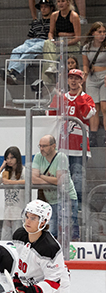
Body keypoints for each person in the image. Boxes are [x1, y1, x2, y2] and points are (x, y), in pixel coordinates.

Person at [47, 69, 95, 211]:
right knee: (62, 177)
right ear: (67, 80)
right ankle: (62, 204)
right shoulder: (61, 97)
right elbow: (50, 114)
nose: (73, 81)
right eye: (71, 78)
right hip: (63, 146)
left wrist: (79, 96)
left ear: (81, 81)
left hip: (80, 149)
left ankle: (78, 206)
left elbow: (87, 114)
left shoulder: (87, 98)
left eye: (77, 78)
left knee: (78, 177)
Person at [31, 134, 79, 235]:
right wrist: (52, 180)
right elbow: (34, 179)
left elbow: (59, 181)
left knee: (69, 232)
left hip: (66, 198)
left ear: (53, 146)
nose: (41, 149)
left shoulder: (61, 157)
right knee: (51, 232)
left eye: (44, 146)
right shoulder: (38, 157)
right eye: (40, 146)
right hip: (49, 200)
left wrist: (41, 176)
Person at [4, 0, 55, 85]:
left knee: (30, 51)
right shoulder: (36, 23)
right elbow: (30, 36)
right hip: (31, 41)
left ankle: (14, 72)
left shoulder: (53, 22)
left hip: (44, 41)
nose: (43, 9)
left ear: (51, 8)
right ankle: (9, 72)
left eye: (46, 7)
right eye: (41, 7)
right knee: (16, 51)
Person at [0, 146, 27, 239]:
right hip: (8, 211)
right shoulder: (6, 172)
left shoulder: (23, 170)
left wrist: (11, 182)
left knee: (17, 239)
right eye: (7, 158)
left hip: (19, 212)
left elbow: (28, 181)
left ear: (17, 158)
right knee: (5, 239)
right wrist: (2, 166)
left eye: (12, 158)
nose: (9, 160)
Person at [44, 0, 83, 72]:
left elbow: (77, 37)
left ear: (68, 2)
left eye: (63, 1)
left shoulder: (74, 16)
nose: (60, 4)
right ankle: (49, 72)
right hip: (59, 42)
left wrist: (64, 41)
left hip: (72, 44)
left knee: (55, 52)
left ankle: (53, 65)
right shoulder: (54, 15)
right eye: (58, 1)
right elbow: (51, 32)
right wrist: (52, 40)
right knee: (47, 43)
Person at [83, 21, 106, 144]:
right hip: (92, 78)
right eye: (99, 32)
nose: (102, 35)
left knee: (104, 107)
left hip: (104, 78)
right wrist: (85, 73)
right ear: (93, 33)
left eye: (104, 32)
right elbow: (86, 65)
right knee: (94, 108)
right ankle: (93, 136)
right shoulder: (87, 47)